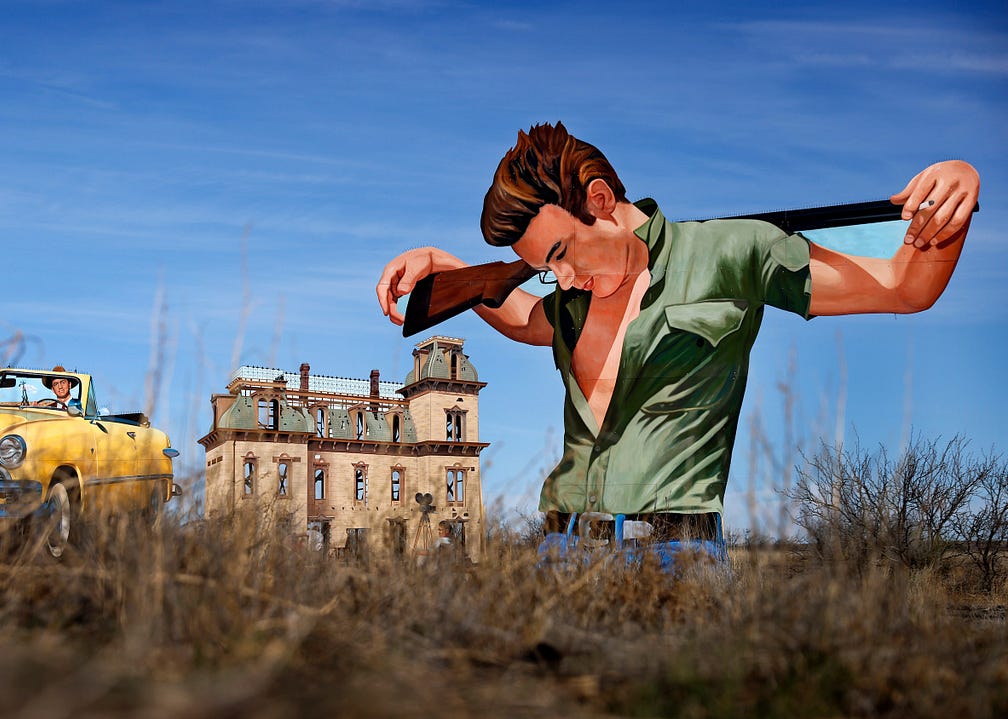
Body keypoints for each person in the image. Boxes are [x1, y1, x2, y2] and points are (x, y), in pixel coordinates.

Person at [376, 122, 979, 549]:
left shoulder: (733, 251)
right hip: (558, 546)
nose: (560, 277)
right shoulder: (569, 301)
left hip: (672, 552)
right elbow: (523, 319)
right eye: (544, 268)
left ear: (600, 199)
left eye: (561, 253)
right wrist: (443, 266)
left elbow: (903, 287)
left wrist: (955, 185)